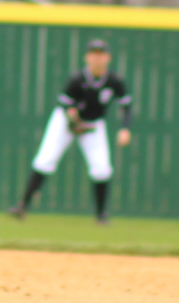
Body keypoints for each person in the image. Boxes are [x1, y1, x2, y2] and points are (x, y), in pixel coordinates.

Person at [9, 39, 133, 225]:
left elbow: (126, 106)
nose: (97, 58)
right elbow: (66, 106)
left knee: (102, 168)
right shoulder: (77, 80)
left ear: (108, 58)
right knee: (45, 159)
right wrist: (74, 121)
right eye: (93, 54)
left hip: (93, 125)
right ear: (87, 57)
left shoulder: (115, 81)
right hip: (64, 123)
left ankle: (101, 216)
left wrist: (125, 128)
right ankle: (22, 207)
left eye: (101, 54)